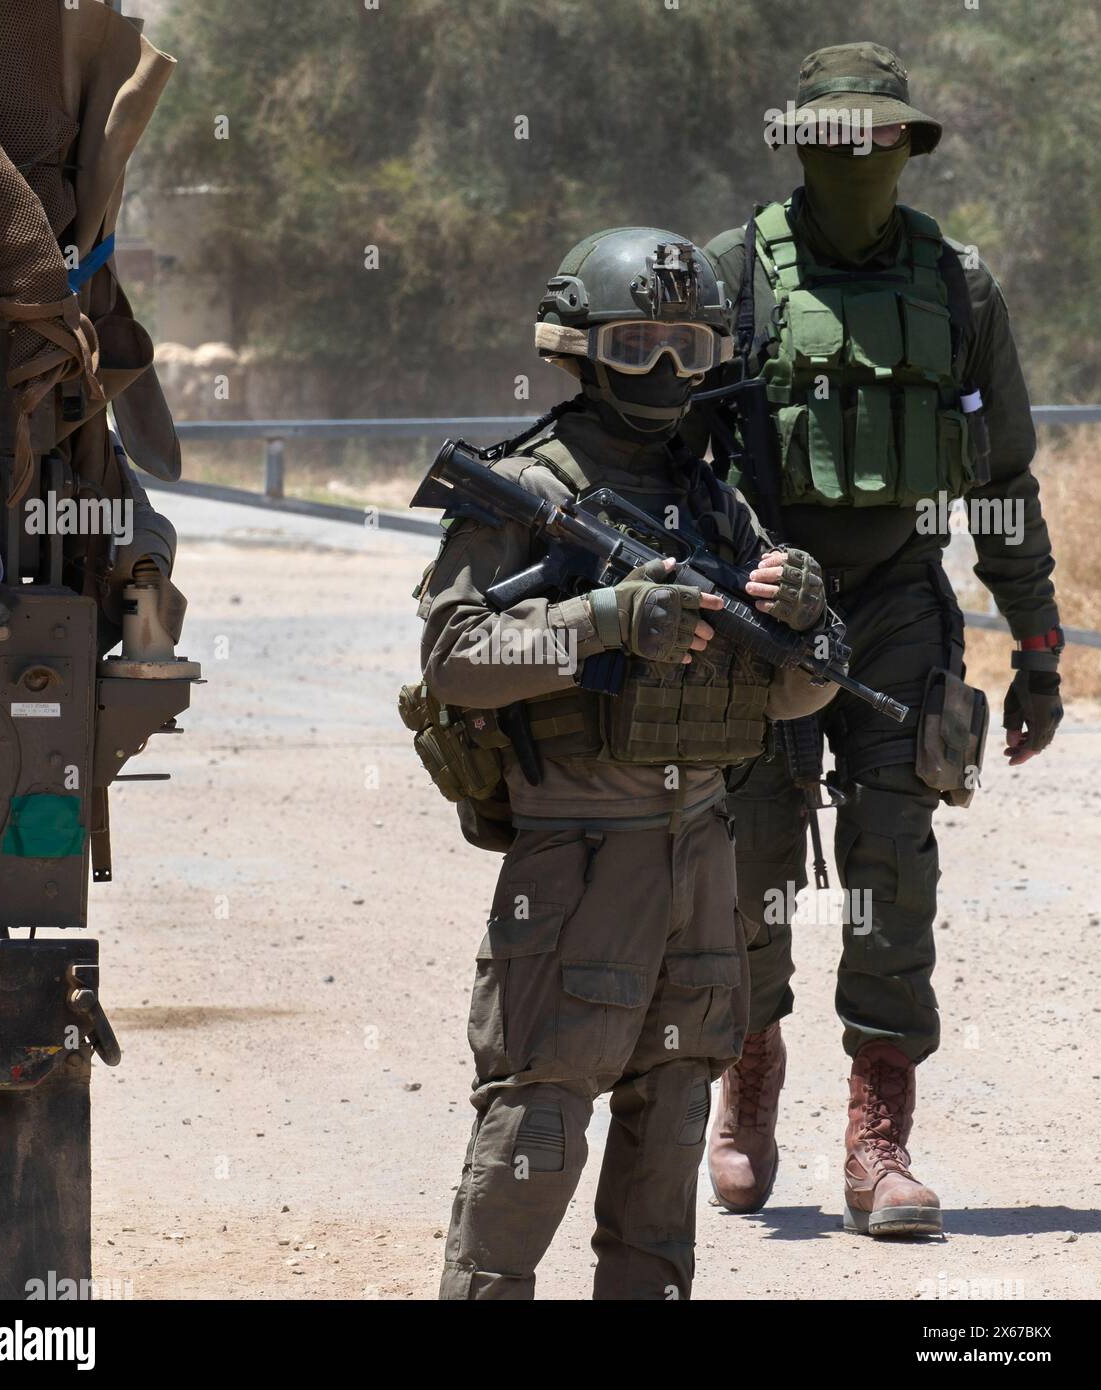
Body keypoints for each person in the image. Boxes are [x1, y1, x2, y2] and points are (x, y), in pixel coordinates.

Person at [683, 42, 1063, 1237]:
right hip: (757, 609)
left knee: (889, 869)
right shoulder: (728, 276)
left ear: (908, 144)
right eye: (835, 138)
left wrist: (1039, 648)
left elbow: (1000, 478)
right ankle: (745, 1086)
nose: (858, 156)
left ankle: (875, 1134)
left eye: (878, 137)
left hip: (897, 605)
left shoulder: (958, 286)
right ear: (796, 141)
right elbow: (668, 465)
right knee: (746, 857)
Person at [416, 227, 834, 1299]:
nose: (664, 372)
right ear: (578, 345)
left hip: (699, 855)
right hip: (574, 861)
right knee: (538, 1112)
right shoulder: (519, 486)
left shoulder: (713, 502)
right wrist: (603, 618)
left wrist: (803, 623)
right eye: (639, 342)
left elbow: (789, 692)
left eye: (688, 348)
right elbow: (456, 661)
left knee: (671, 1116)